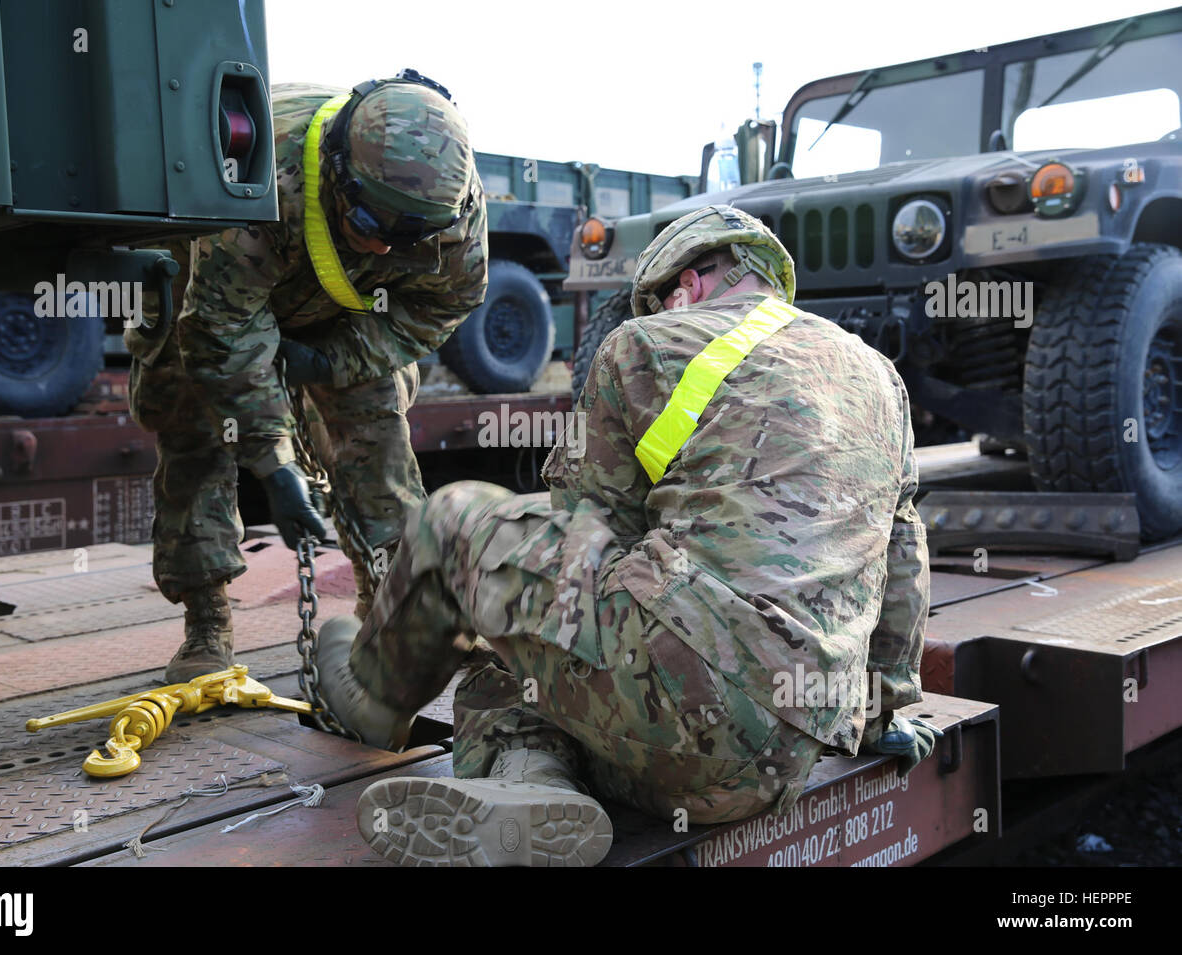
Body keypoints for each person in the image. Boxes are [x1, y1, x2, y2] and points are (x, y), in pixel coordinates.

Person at [315, 204, 938, 867]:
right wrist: (883, 713)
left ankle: (373, 701)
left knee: (455, 520)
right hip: (771, 766)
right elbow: (903, 559)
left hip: (686, 697)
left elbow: (582, 532)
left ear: (689, 285)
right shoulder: (878, 376)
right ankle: (533, 789)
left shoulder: (648, 343)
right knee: (514, 666)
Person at [128, 71, 488, 683]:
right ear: (340, 172)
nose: (382, 250)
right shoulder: (255, 178)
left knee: (376, 440)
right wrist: (274, 464)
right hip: (213, 287)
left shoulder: (451, 216)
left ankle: (394, 612)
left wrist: (332, 361)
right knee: (193, 428)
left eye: (406, 238)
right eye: (372, 226)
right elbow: (221, 335)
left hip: (347, 310)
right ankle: (207, 624)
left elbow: (438, 307)